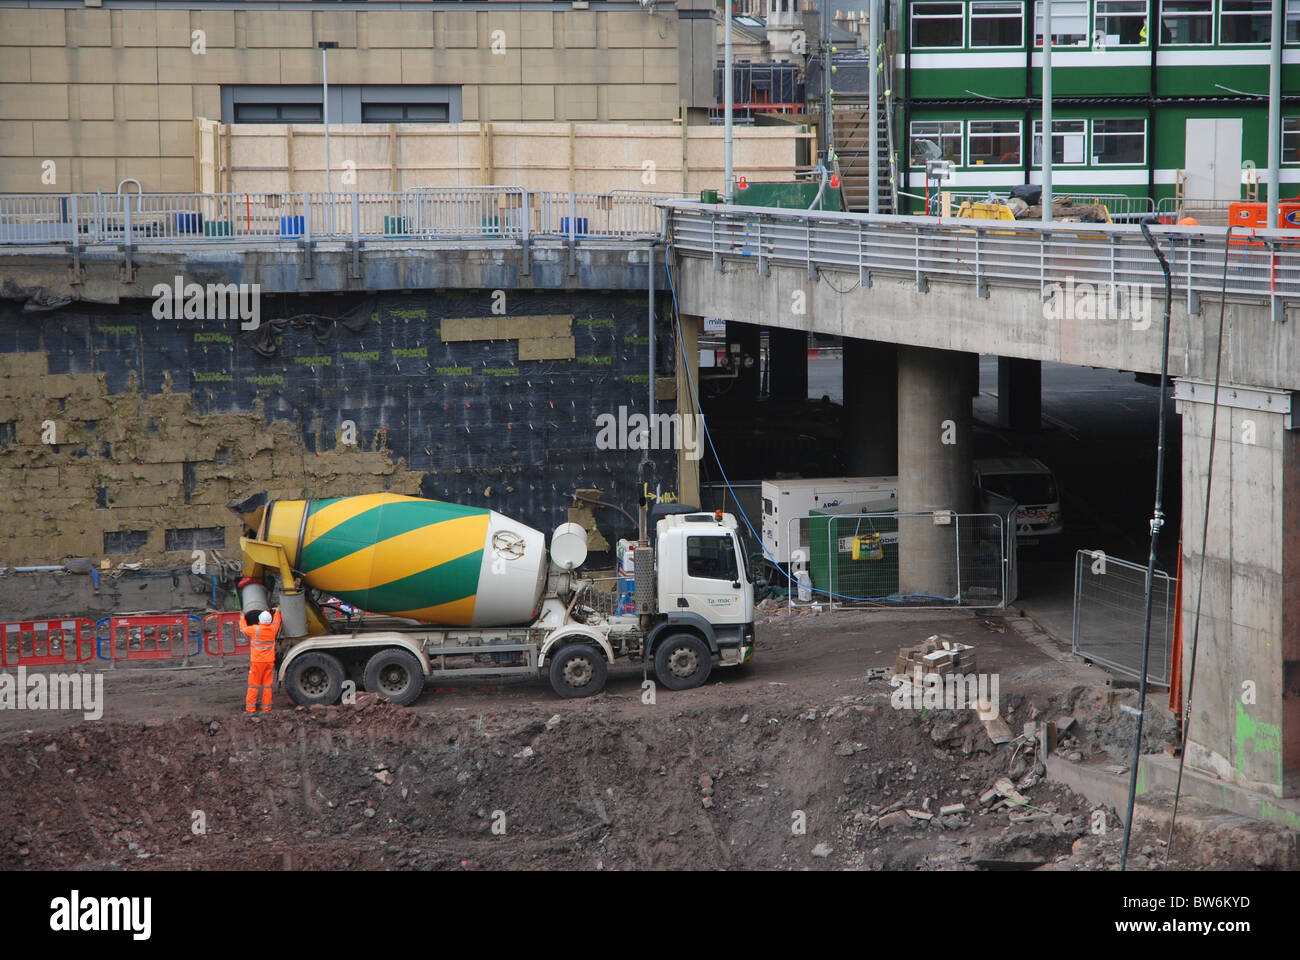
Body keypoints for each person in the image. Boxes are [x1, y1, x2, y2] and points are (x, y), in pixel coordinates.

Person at [241, 608, 281, 714]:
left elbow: (243, 629)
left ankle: (250, 709)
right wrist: (277, 612)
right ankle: (266, 708)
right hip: (269, 662)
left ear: (259, 619)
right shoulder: (273, 629)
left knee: (253, 685)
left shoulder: (255, 630)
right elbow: (277, 622)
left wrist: (242, 618)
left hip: (257, 662)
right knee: (267, 686)